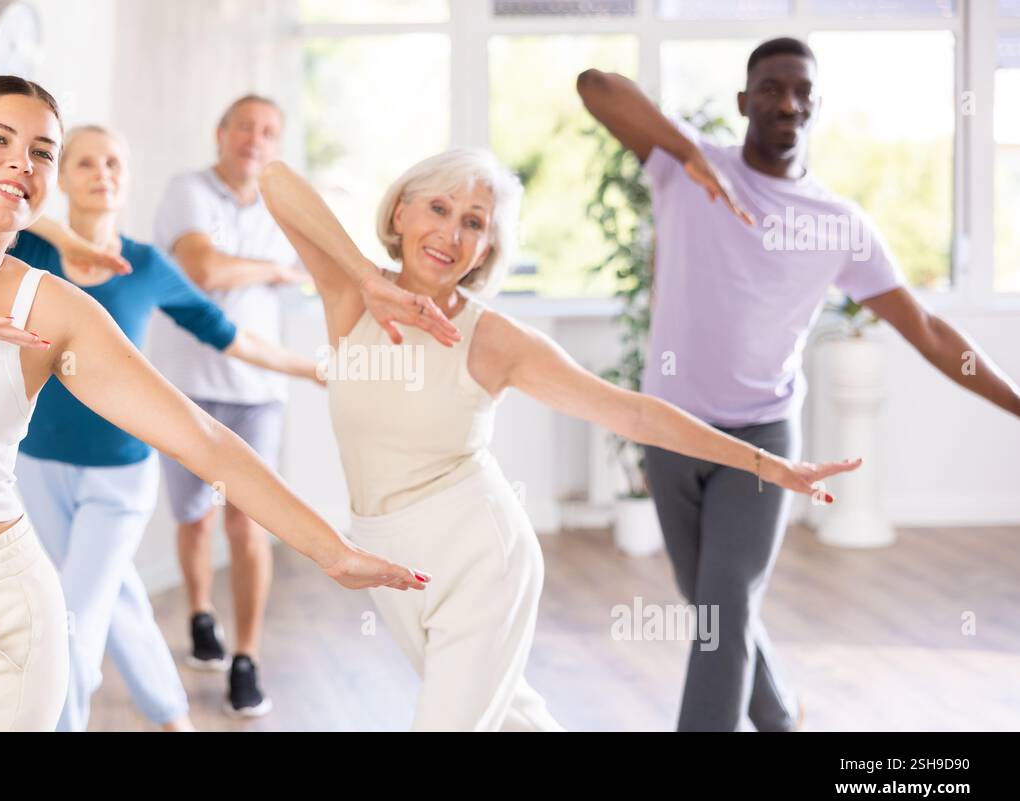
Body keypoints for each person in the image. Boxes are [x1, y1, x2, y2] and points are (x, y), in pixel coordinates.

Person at [0, 75, 426, 732]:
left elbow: (199, 438)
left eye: (42, 152)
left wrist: (330, 549)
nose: (21, 161)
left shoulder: (51, 309)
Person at [259, 148, 861, 731]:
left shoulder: (495, 339)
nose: (451, 233)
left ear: (487, 248)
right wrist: (368, 277)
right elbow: (275, 179)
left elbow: (635, 415)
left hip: (477, 556)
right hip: (385, 557)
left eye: (474, 222)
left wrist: (763, 462)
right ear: (400, 214)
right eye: (437, 209)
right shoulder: (349, 297)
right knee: (513, 718)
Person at [577, 37, 1020, 731]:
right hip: (667, 428)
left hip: (762, 437)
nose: (787, 102)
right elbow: (596, 85)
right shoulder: (682, 170)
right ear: (743, 100)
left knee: (723, 606)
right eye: (771, 88)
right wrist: (691, 152)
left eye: (801, 91)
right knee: (711, 603)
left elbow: (930, 331)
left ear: (815, 105)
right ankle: (782, 718)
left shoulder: (838, 224)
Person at [8, 123, 322, 732]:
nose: (102, 174)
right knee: (114, 595)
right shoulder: (28, 252)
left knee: (69, 625)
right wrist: (50, 227)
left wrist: (308, 367)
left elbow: (225, 332)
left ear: (127, 182)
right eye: (86, 164)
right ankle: (173, 717)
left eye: (114, 165)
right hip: (38, 465)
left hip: (121, 476)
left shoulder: (146, 264)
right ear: (61, 178)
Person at [149, 94, 309, 717]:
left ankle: (246, 658)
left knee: (248, 523)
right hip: (185, 388)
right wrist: (271, 268)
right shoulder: (186, 190)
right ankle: (199, 615)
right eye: (245, 126)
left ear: (277, 145)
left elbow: (312, 275)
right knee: (195, 519)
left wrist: (271, 272)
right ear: (221, 134)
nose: (255, 138)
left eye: (269, 130)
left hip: (258, 395)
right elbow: (203, 270)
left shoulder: (285, 207)